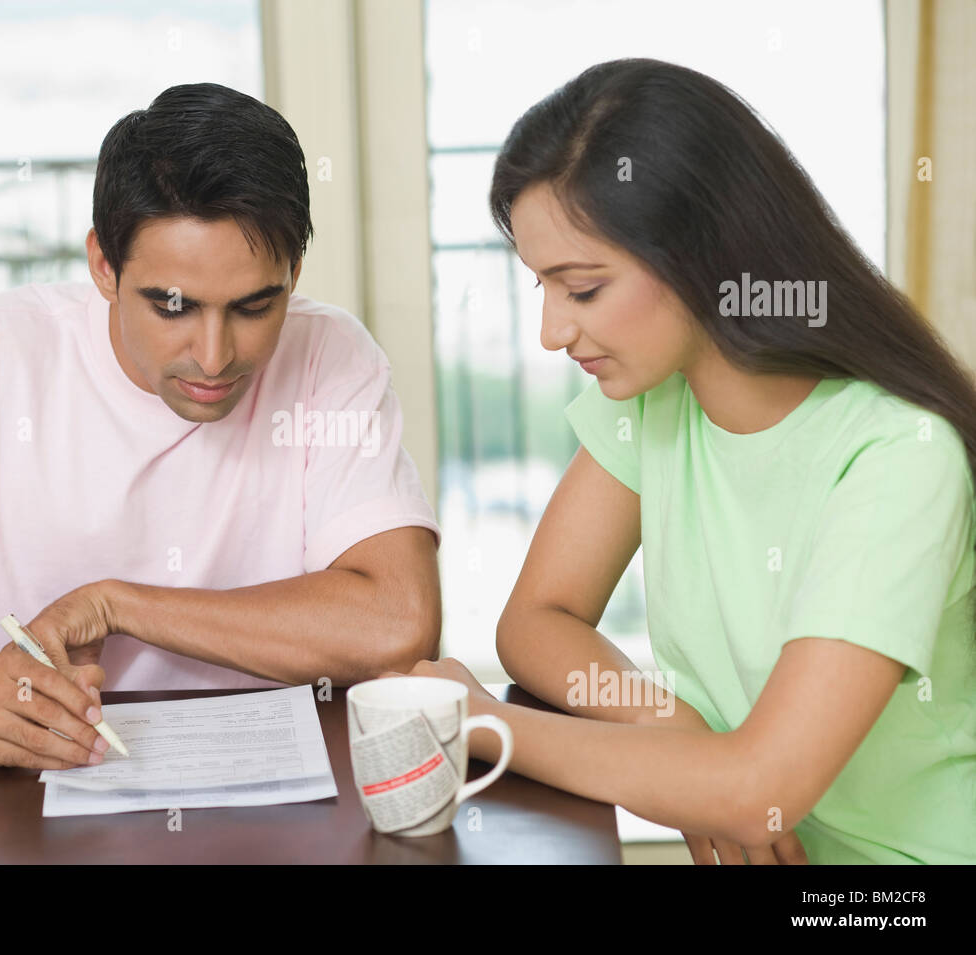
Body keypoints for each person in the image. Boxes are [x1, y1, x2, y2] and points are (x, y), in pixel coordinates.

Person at [399, 58, 976, 864]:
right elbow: (537, 619)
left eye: (584, 288)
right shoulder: (652, 401)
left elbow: (757, 791)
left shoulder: (898, 456)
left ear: (700, 256)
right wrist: (671, 731)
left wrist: (483, 723)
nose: (551, 332)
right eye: (543, 287)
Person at [0, 83, 441, 772]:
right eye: (172, 306)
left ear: (293, 273)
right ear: (103, 265)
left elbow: (397, 622)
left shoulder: (333, 355)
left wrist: (115, 604)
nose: (215, 356)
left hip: (273, 803)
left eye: (253, 307)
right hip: (23, 797)